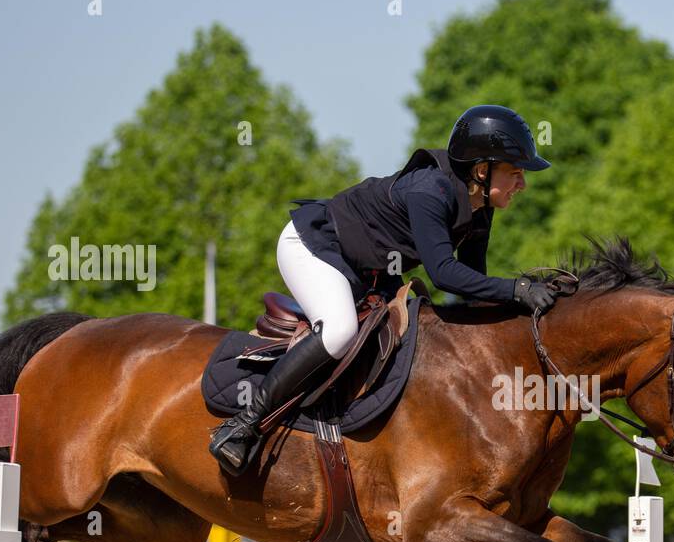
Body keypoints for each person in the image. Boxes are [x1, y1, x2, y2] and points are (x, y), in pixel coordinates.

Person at [210, 104, 556, 475]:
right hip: (313, 246)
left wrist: (533, 310)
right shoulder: (430, 190)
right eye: (516, 173)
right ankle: (243, 424)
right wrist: (518, 289)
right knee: (340, 331)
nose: (523, 184)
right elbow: (444, 274)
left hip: (368, 271)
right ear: (482, 170)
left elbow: (474, 285)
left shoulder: (479, 206)